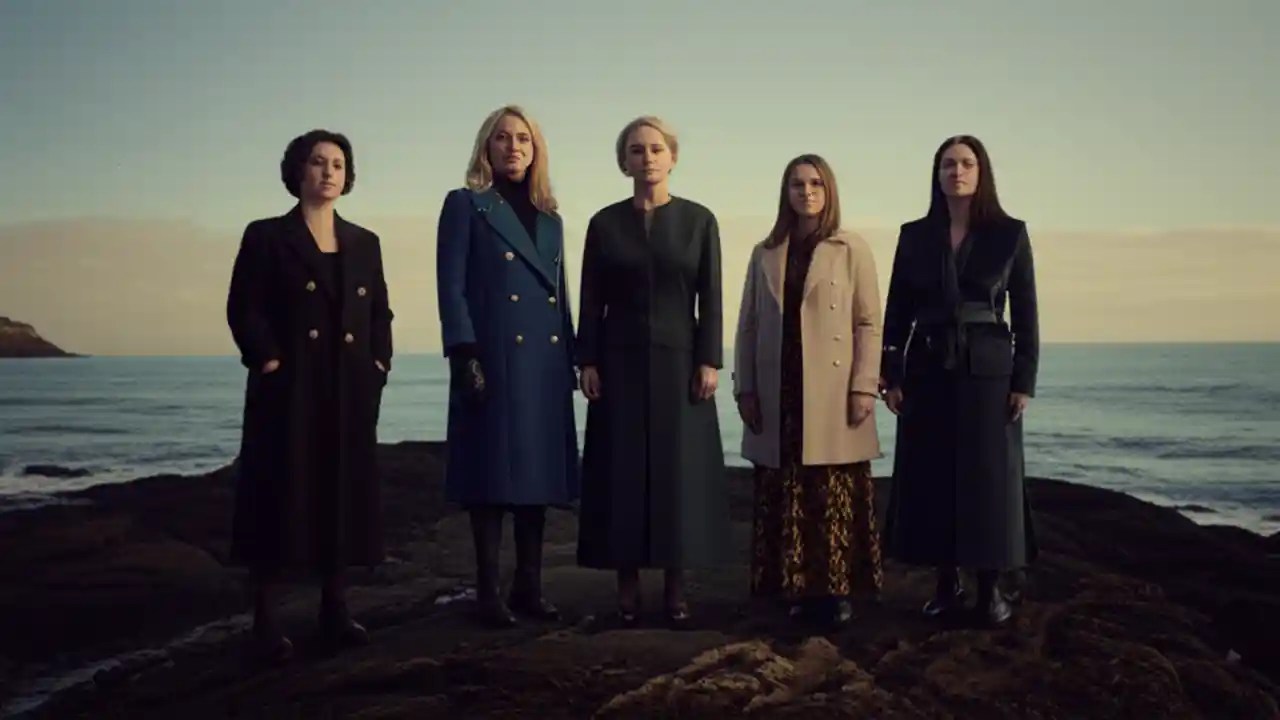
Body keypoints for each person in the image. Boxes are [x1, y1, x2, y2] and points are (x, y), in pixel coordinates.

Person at [226, 129, 394, 662]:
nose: (329, 172)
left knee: (341, 491)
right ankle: (266, 620)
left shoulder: (365, 242)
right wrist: (268, 358)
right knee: (278, 490)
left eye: (338, 165)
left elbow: (380, 312)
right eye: (318, 162)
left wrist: (379, 362)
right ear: (297, 171)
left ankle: (335, 608)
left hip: (349, 387)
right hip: (290, 388)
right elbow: (243, 306)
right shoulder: (267, 236)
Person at [575, 115, 730, 628]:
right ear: (625, 161)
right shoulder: (604, 223)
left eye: (656, 149)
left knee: (676, 473)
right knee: (620, 472)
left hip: (680, 361)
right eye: (637, 150)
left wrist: (709, 359)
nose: (647, 158)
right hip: (617, 362)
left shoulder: (699, 220)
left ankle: (675, 591)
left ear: (673, 157)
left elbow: (711, 295)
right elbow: (590, 298)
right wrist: (588, 360)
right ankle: (626, 590)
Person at [879, 134, 1040, 626]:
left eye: (966, 163)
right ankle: (946, 584)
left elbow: (1027, 313)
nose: (957, 171)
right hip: (927, 366)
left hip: (989, 371)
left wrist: (1024, 381)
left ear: (981, 171)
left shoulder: (1009, 233)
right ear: (938, 173)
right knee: (932, 476)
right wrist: (891, 373)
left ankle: (990, 589)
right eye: (948, 164)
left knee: (989, 481)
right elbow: (897, 311)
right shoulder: (914, 235)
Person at [435, 105, 579, 628]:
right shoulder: (466, 206)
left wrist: (573, 358)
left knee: (537, 481)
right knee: (490, 477)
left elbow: (560, 298)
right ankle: (487, 593)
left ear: (535, 149)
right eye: (502, 138)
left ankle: (529, 587)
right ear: (486, 148)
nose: (513, 146)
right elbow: (450, 286)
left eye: (523, 138)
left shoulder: (552, 221)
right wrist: (463, 354)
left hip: (543, 362)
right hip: (491, 356)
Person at [732, 154, 884, 628]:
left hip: (833, 389)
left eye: (816, 183)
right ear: (786, 192)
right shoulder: (766, 250)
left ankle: (835, 592)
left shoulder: (850, 247)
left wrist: (864, 386)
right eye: (797, 184)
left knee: (832, 493)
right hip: (779, 387)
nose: (807, 191)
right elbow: (747, 324)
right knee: (785, 490)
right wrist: (746, 388)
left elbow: (868, 322)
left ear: (829, 189)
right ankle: (793, 588)